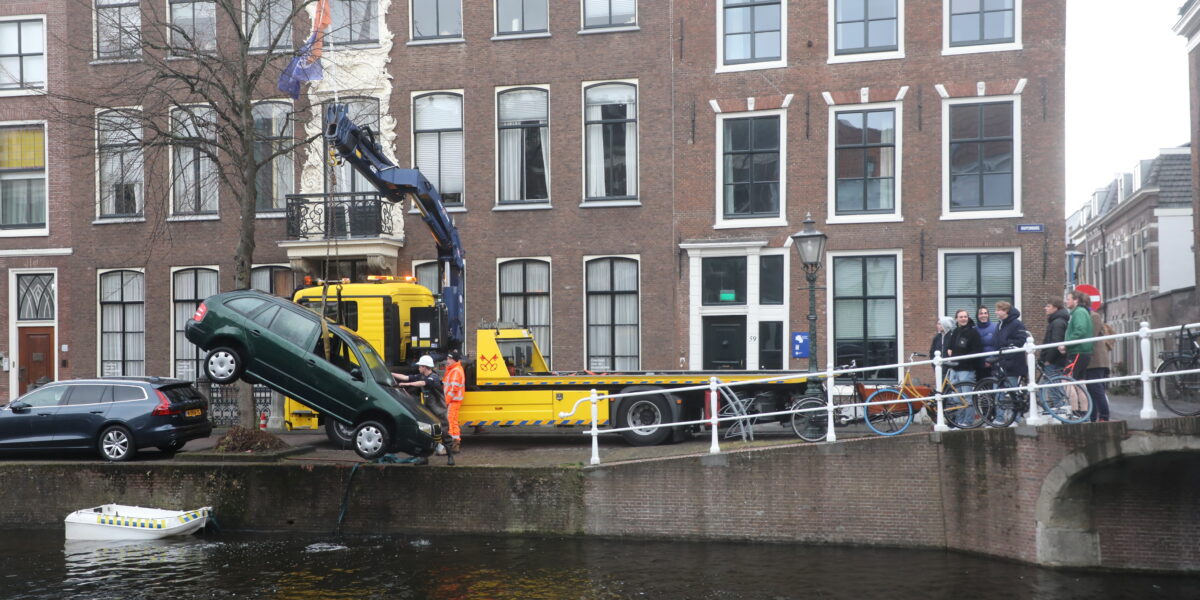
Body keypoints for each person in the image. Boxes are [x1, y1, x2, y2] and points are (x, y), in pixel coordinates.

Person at [394, 355, 449, 458]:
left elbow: (423, 383)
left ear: (425, 367)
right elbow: (406, 377)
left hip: (439, 410)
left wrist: (407, 385)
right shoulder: (422, 376)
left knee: (443, 431)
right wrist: (390, 373)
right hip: (430, 409)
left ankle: (447, 450)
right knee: (428, 431)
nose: (418, 368)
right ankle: (427, 455)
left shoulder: (434, 377)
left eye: (420, 366)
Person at [1086, 306, 1114, 422]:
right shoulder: (1087, 316)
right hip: (1090, 359)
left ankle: (1104, 416)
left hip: (1097, 360)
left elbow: (1091, 335)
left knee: (1097, 388)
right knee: (1091, 388)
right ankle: (1092, 416)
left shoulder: (1094, 316)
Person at [991, 301, 1028, 387]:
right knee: (999, 388)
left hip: (1012, 362)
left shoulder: (1016, 324)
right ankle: (999, 400)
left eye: (998, 310)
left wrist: (1005, 343)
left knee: (1011, 388)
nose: (995, 312)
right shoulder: (1000, 324)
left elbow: (1021, 340)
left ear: (1005, 311)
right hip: (1002, 361)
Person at [1059, 290, 1094, 379]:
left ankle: (1072, 393)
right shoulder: (1081, 312)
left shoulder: (1079, 312)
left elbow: (1080, 330)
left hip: (1077, 351)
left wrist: (1066, 344)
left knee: (1066, 380)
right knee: (1079, 382)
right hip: (1081, 351)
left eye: (1068, 299)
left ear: (1076, 300)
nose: (1066, 301)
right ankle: (1083, 394)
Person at [944, 309, 983, 386]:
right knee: (953, 394)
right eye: (961, 317)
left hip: (966, 369)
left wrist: (964, 359)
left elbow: (977, 350)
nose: (963, 319)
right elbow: (950, 346)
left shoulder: (973, 332)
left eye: (965, 317)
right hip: (954, 368)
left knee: (966, 395)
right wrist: (949, 350)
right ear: (956, 319)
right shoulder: (955, 331)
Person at [443, 350, 466, 454]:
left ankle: (452, 444)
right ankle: (455, 443)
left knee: (450, 422)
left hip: (453, 401)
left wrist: (446, 401)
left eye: (449, 359)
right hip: (454, 401)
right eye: (447, 358)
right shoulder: (455, 369)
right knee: (453, 421)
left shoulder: (455, 370)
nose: (447, 361)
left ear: (454, 360)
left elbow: (453, 388)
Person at [1040, 299, 1070, 375]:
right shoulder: (1057, 321)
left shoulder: (1057, 323)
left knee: (1051, 385)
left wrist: (1048, 360)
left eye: (1048, 306)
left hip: (1054, 362)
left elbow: (1056, 342)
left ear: (1055, 308)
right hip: (1056, 361)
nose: (1045, 308)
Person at [976, 306, 999, 379]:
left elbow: (998, 344)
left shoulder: (996, 327)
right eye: (981, 313)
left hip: (993, 363)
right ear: (977, 316)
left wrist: (991, 360)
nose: (983, 315)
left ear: (988, 315)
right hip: (979, 363)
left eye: (985, 313)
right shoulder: (974, 329)